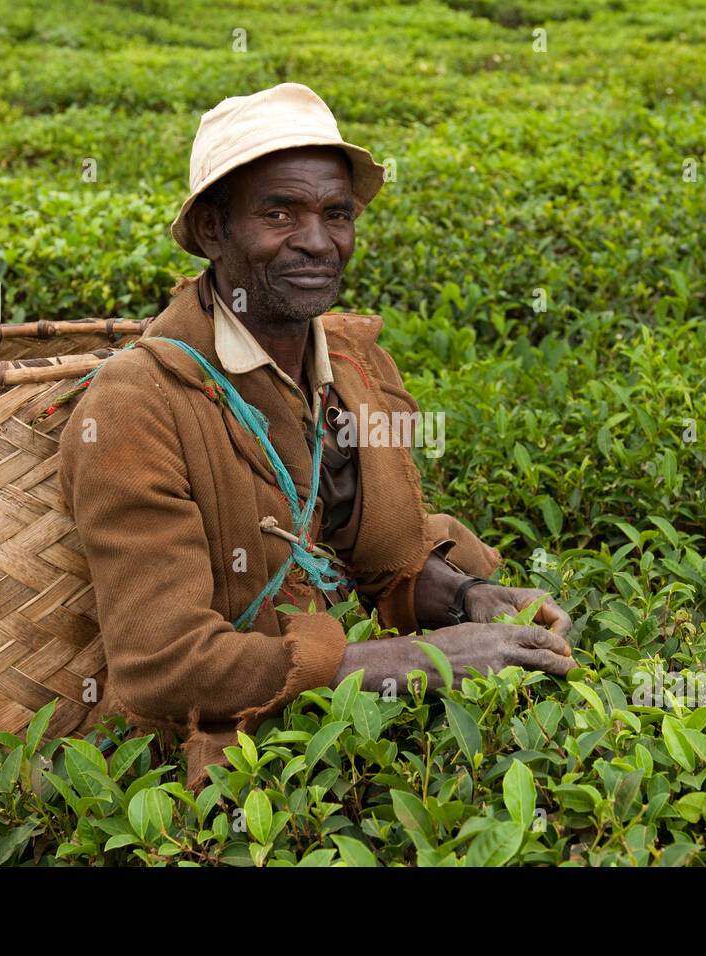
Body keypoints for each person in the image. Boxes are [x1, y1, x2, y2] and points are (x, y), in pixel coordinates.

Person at [59, 83, 572, 790]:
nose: (316, 240)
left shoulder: (356, 366)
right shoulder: (135, 404)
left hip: (363, 738)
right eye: (279, 213)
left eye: (337, 214)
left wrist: (462, 599)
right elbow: (163, 664)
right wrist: (412, 662)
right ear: (213, 231)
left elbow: (363, 562)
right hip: (242, 775)